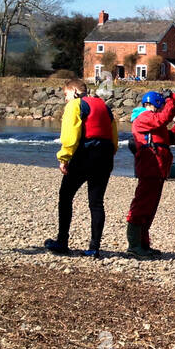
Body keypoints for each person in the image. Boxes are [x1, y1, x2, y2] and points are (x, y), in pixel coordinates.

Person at [45, 80, 118, 257]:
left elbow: (71, 134)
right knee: (96, 202)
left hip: (86, 155)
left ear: (75, 91)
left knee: (65, 196)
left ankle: (62, 241)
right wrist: (109, 155)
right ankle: (94, 248)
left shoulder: (75, 105)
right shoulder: (104, 106)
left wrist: (64, 158)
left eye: (66, 95)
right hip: (105, 157)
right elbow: (114, 137)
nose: (65, 99)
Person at [126, 91, 175, 258]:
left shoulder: (154, 124)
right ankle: (134, 245)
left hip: (158, 171)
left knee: (149, 210)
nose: (162, 109)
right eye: (160, 105)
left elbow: (171, 138)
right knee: (141, 207)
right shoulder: (144, 117)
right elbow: (163, 118)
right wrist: (170, 101)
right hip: (149, 169)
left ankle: (143, 245)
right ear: (154, 104)